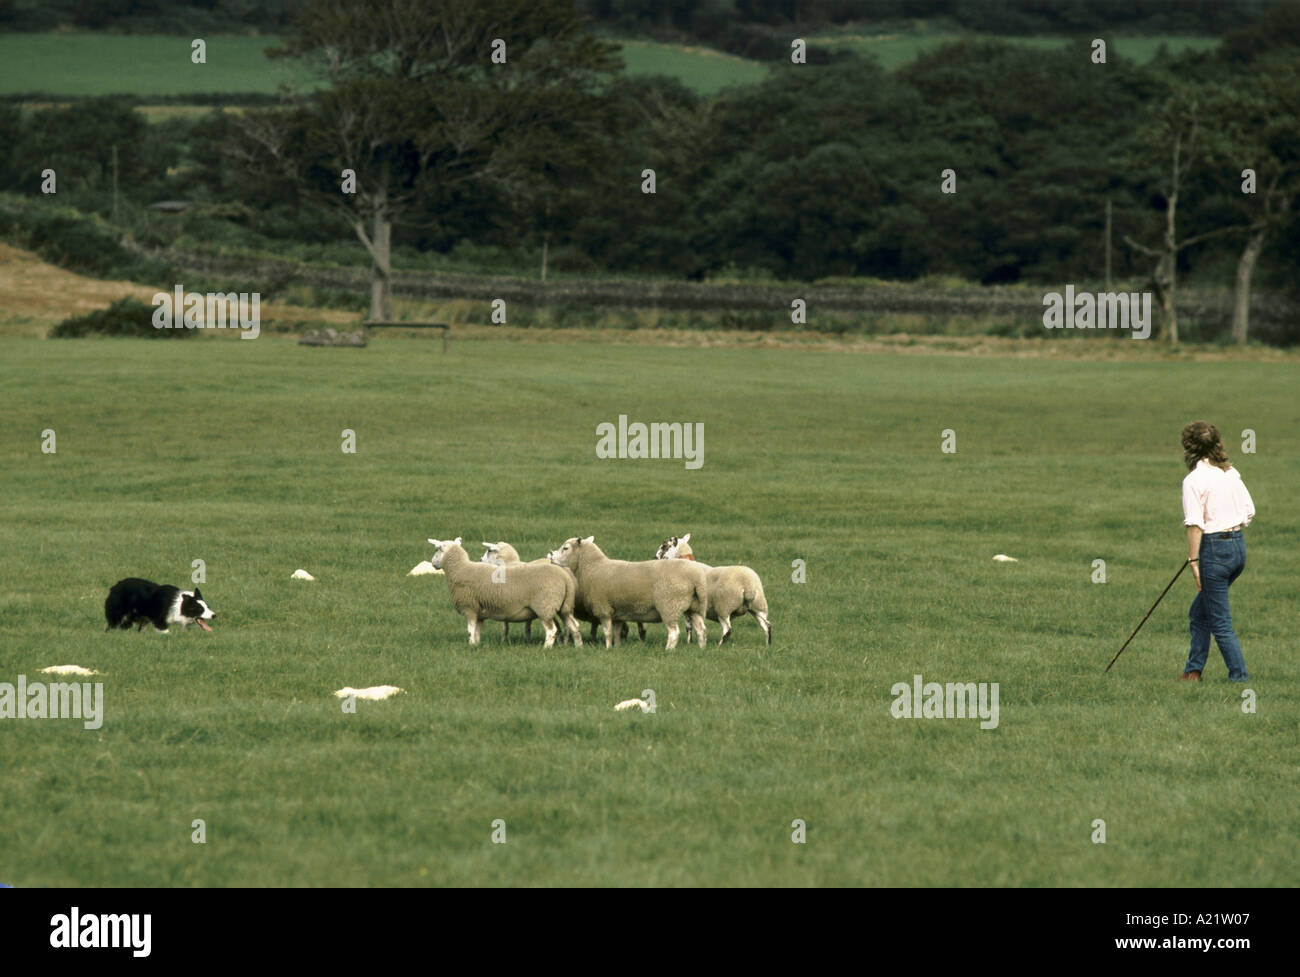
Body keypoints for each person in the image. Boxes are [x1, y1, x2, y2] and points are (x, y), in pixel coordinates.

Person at [1179, 421, 1254, 682]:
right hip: (1238, 549)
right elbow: (1249, 511)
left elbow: (1195, 524)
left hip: (1215, 551)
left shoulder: (1193, 480)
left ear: (1189, 447)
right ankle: (1193, 671)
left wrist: (1193, 559)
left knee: (1220, 622)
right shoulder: (1230, 472)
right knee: (1199, 612)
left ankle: (1239, 677)